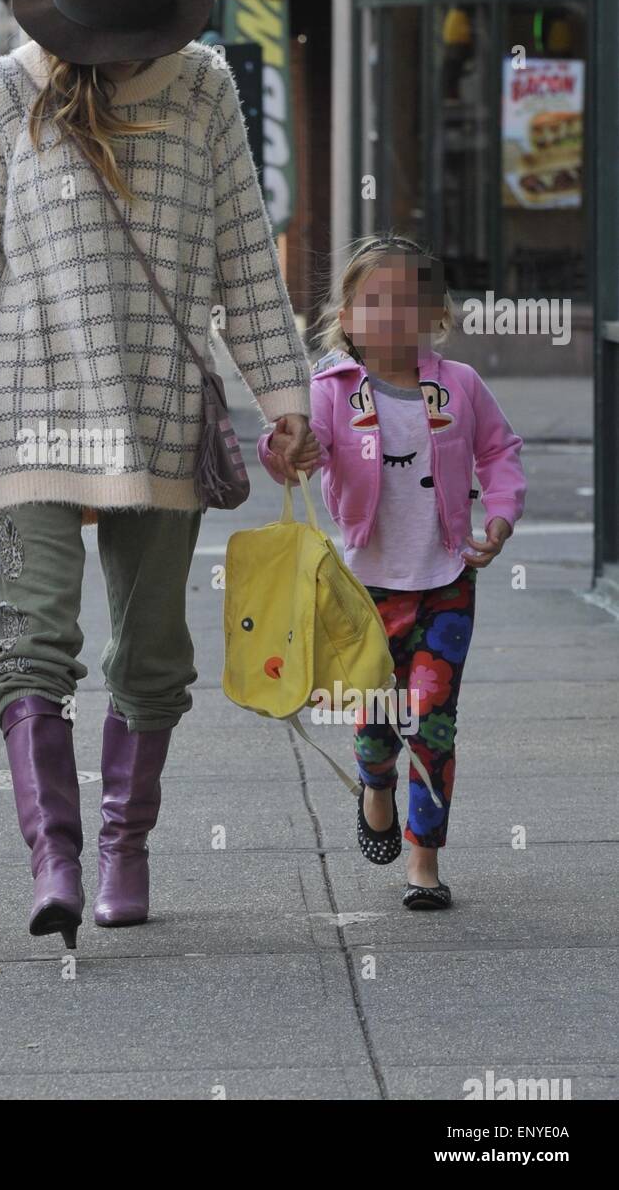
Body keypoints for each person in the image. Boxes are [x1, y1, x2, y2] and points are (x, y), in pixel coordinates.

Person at [0, 0, 312, 948]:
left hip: (159, 401)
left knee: (153, 650)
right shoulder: (5, 94)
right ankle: (56, 853)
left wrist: (286, 400)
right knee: (36, 636)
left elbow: (243, 257)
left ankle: (127, 841)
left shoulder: (206, 90)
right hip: (30, 395)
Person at [259, 234, 527, 910]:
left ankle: (424, 860)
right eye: (374, 301)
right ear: (346, 316)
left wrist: (498, 515)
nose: (392, 314)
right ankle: (375, 784)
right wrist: (289, 448)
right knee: (378, 727)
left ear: (434, 315)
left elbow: (500, 453)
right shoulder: (330, 390)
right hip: (361, 591)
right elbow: (285, 448)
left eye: (409, 301)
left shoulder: (457, 386)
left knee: (433, 723)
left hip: (446, 584)